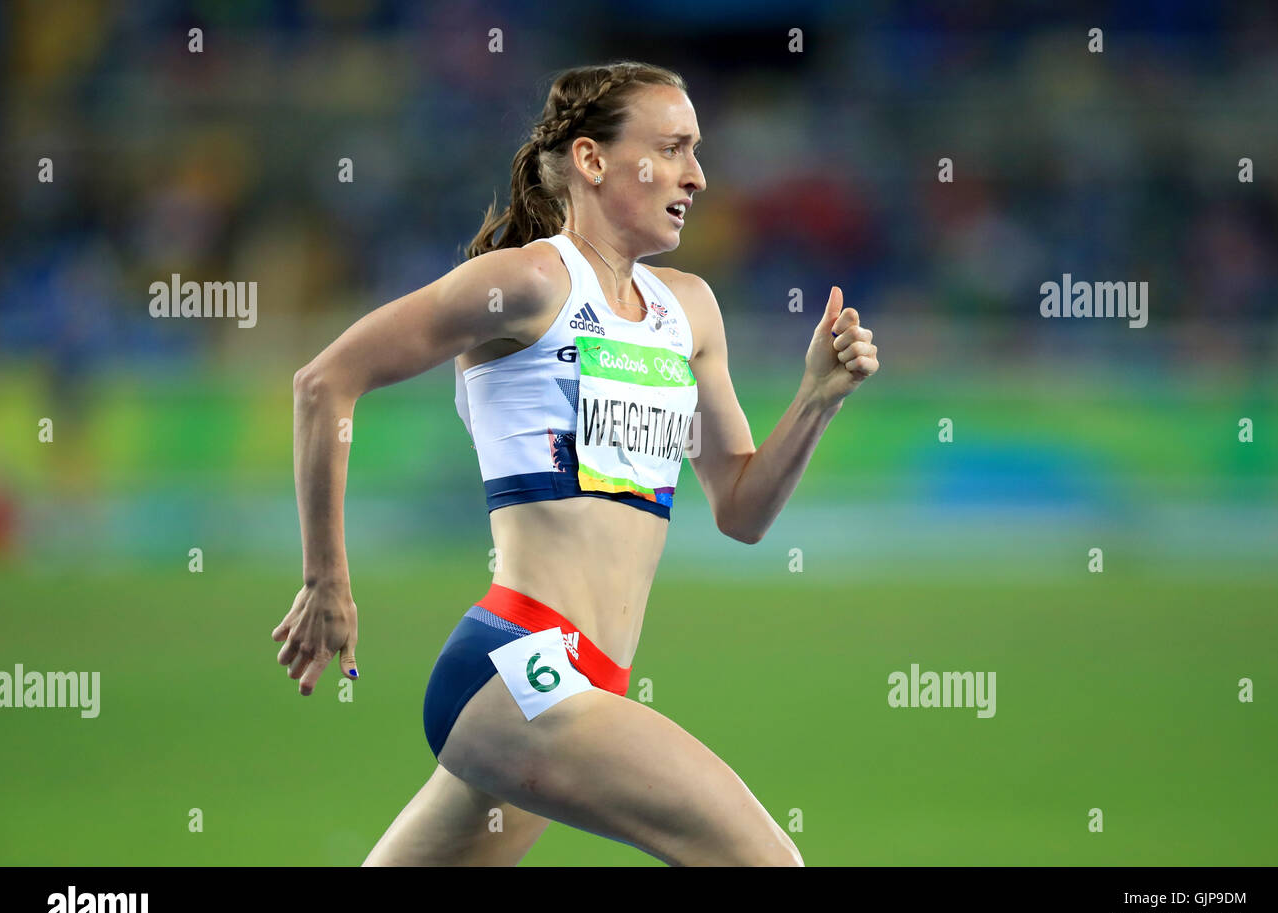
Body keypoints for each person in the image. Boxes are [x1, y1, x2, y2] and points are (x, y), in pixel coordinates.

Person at [272, 61, 879, 867]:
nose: (697, 175)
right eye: (670, 148)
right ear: (592, 160)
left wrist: (816, 398)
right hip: (517, 665)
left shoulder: (688, 309)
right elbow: (324, 383)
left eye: (696, 151)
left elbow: (741, 509)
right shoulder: (529, 282)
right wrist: (326, 580)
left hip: (591, 683)